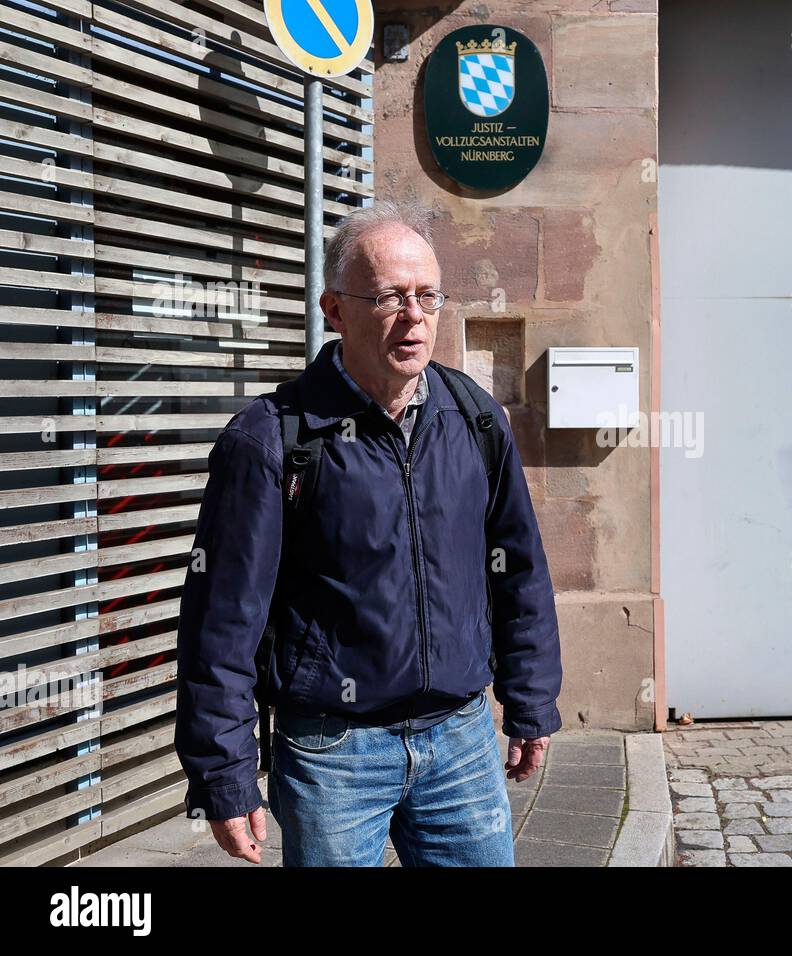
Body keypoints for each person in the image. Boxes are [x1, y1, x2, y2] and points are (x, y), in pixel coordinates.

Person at [174, 199, 562, 866]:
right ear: (334, 310)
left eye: (428, 296)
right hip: (334, 755)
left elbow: (517, 569)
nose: (415, 317)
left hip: (461, 741)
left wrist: (531, 697)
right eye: (390, 297)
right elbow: (221, 620)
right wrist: (223, 774)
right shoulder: (273, 439)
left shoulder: (473, 418)